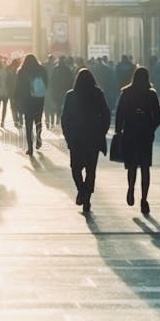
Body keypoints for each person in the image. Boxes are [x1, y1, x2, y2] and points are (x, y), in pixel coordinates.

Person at [61, 69, 110, 213]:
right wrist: (102, 131)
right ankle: (86, 196)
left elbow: (65, 118)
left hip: (76, 137)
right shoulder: (98, 94)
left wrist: (67, 135)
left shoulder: (70, 95)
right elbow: (106, 113)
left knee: (75, 167)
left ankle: (81, 189)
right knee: (91, 169)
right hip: (93, 136)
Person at [114, 67, 160, 215]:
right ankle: (144, 199)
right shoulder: (151, 94)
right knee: (145, 167)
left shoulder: (126, 92)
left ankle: (130, 189)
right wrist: (151, 127)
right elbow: (158, 116)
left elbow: (119, 113)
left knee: (132, 166)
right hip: (145, 135)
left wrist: (118, 130)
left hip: (129, 133)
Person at [14, 55, 46, 155]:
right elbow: (47, 83)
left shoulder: (22, 71)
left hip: (27, 100)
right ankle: (39, 137)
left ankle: (30, 148)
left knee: (28, 124)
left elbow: (18, 86)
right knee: (38, 120)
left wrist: (16, 98)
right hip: (39, 99)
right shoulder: (42, 69)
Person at [51, 56, 74, 128]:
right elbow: (71, 80)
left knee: (58, 104)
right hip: (65, 90)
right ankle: (63, 118)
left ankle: (58, 117)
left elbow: (52, 80)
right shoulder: (67, 69)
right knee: (65, 105)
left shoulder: (55, 69)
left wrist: (52, 89)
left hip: (57, 90)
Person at [7, 58, 21, 128]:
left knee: (13, 107)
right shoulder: (18, 71)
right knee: (17, 106)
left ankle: (16, 121)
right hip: (16, 91)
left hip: (11, 91)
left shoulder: (8, 70)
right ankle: (17, 120)